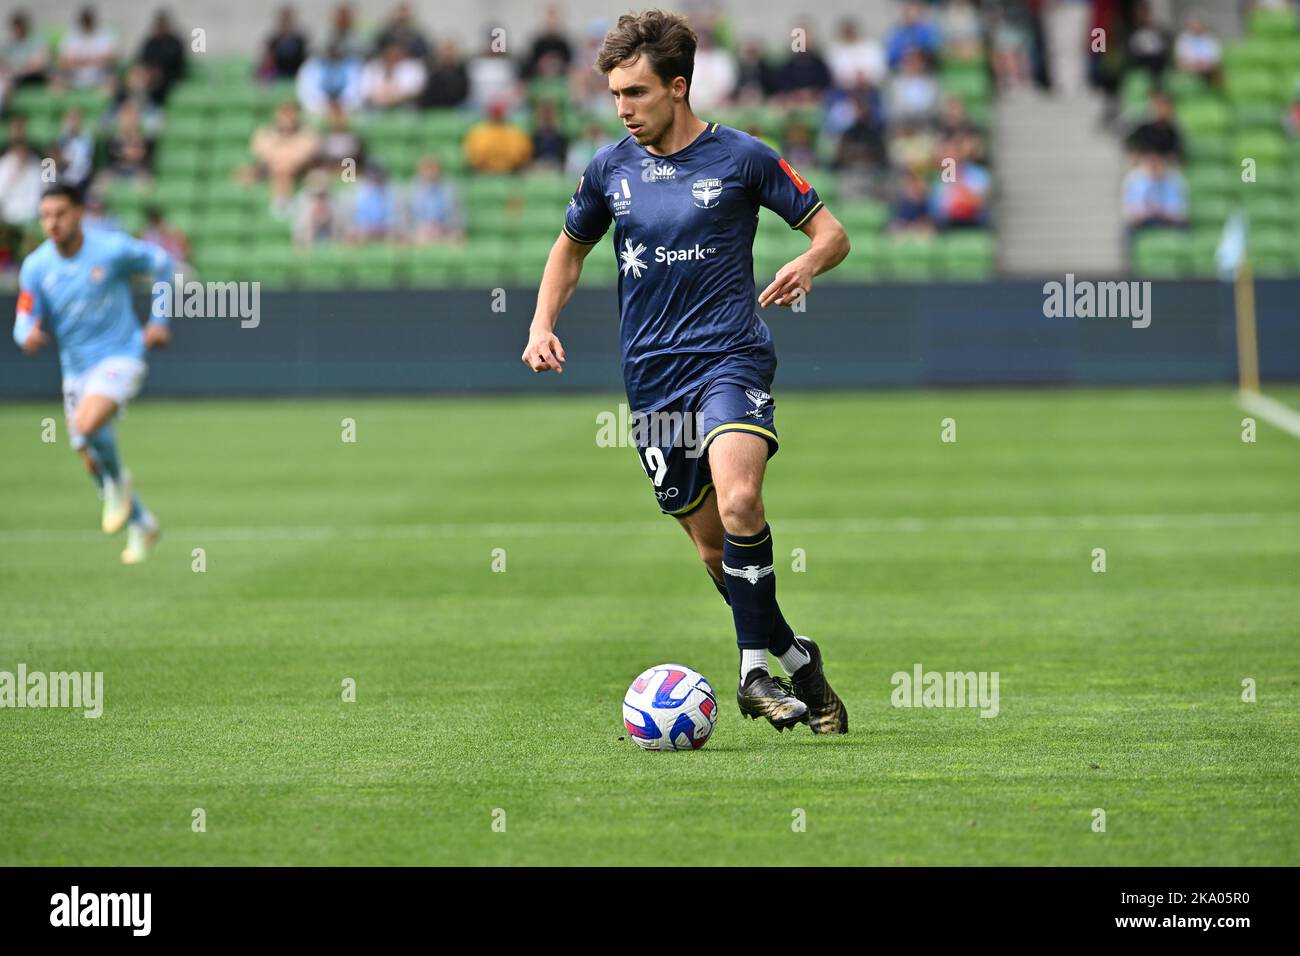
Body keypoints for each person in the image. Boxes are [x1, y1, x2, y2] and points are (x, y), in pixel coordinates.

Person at [520, 10, 851, 735]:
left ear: (677, 87)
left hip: (730, 358)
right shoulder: (610, 170)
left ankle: (751, 674)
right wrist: (542, 323)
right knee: (711, 548)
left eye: (635, 93)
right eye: (613, 95)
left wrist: (806, 261)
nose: (622, 109)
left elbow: (831, 232)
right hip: (652, 383)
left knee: (740, 505)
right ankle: (798, 660)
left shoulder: (744, 159)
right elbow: (569, 250)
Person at [13, 184, 174, 564]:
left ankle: (119, 483)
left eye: (61, 214)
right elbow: (23, 316)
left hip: (122, 355)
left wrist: (160, 319)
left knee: (86, 426)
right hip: (76, 371)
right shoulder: (36, 267)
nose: (53, 223)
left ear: (79, 213)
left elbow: (162, 263)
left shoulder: (112, 249)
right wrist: (26, 335)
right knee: (90, 459)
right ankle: (143, 524)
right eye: (46, 216)